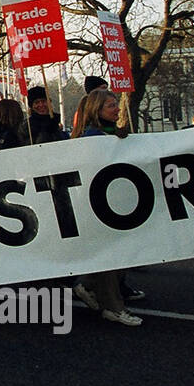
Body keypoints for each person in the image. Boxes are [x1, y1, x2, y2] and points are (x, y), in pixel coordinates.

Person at [70, 89, 142, 327]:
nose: (117, 109)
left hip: (113, 204)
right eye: (111, 105)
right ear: (97, 110)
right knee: (109, 256)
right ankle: (113, 307)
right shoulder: (92, 138)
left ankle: (89, 284)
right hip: (98, 206)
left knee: (119, 252)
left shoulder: (111, 135)